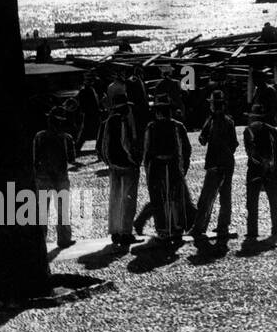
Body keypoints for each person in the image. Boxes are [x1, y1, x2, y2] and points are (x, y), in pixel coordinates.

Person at [141, 95, 193, 243]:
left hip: (161, 166)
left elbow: (147, 151)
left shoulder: (153, 127)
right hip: (171, 166)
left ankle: (167, 229)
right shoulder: (177, 126)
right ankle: (174, 228)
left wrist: (148, 170)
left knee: (163, 199)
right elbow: (186, 149)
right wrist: (183, 167)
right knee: (172, 199)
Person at [192, 89, 238, 240]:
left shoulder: (211, 120)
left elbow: (202, 140)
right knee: (225, 196)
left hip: (214, 163)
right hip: (227, 163)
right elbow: (234, 144)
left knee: (206, 197)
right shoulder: (229, 121)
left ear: (213, 106)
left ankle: (199, 226)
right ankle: (223, 226)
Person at [99, 93, 141, 248]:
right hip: (127, 165)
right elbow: (126, 144)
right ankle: (126, 232)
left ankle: (115, 231)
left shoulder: (108, 121)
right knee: (128, 200)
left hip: (113, 166)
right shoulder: (123, 121)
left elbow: (103, 145)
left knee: (115, 198)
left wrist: (109, 162)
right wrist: (134, 160)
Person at [242, 103, 277, 244]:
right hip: (272, 171)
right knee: (274, 202)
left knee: (252, 202)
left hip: (255, 171)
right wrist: (273, 164)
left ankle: (252, 231)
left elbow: (250, 152)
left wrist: (262, 164)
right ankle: (276, 230)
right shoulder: (272, 130)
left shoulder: (248, 131)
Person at [33, 108, 77, 248]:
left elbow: (34, 158)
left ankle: (41, 240)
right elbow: (72, 158)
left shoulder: (39, 136)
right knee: (63, 209)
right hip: (60, 177)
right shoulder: (66, 138)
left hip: (43, 177)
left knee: (42, 212)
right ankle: (64, 239)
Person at [77, 72, 102, 152]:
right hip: (89, 115)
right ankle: (76, 149)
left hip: (94, 114)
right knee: (85, 133)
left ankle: (99, 149)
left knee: (97, 132)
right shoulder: (84, 91)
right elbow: (83, 104)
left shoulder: (91, 89)